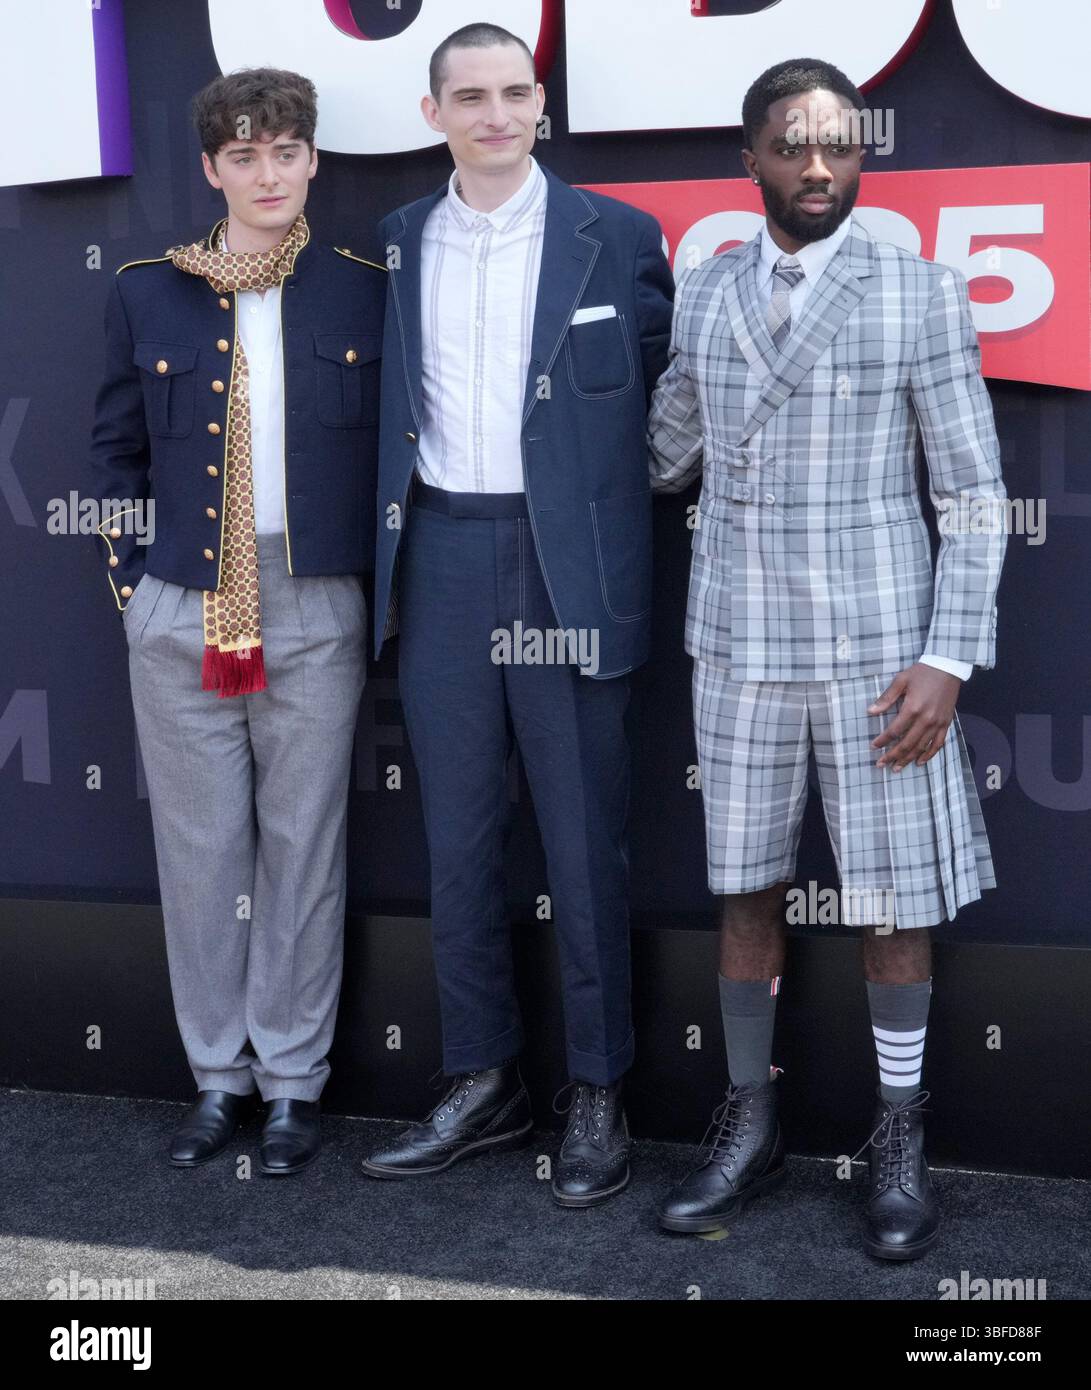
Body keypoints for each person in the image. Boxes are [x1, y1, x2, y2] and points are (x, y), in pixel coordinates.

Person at [648, 58, 1006, 1257]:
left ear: (862, 156)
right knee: (742, 885)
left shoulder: (920, 292)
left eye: (838, 144)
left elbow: (970, 495)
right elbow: (661, 455)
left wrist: (948, 655)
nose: (815, 165)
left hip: (883, 657)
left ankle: (897, 1132)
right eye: (790, 145)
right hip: (738, 646)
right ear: (747, 157)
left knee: (892, 899)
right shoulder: (701, 293)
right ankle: (748, 1121)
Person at [360, 23, 673, 1206]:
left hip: (568, 570)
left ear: (541, 105)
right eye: (470, 96)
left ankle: (598, 1091)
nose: (496, 113)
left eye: (515, 93)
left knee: (585, 836)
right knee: (456, 838)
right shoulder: (395, 243)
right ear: (433, 109)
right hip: (439, 549)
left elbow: (662, 409)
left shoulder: (618, 238)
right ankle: (482, 1078)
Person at [88, 67, 385, 1175]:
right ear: (212, 169)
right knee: (202, 850)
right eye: (244, 156)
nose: (268, 174)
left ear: (313, 160)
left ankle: (295, 1086)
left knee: (303, 848)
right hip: (180, 602)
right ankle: (220, 1078)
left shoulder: (365, 285)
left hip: (312, 602)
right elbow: (113, 455)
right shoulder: (144, 291)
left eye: (286, 152)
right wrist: (135, 594)